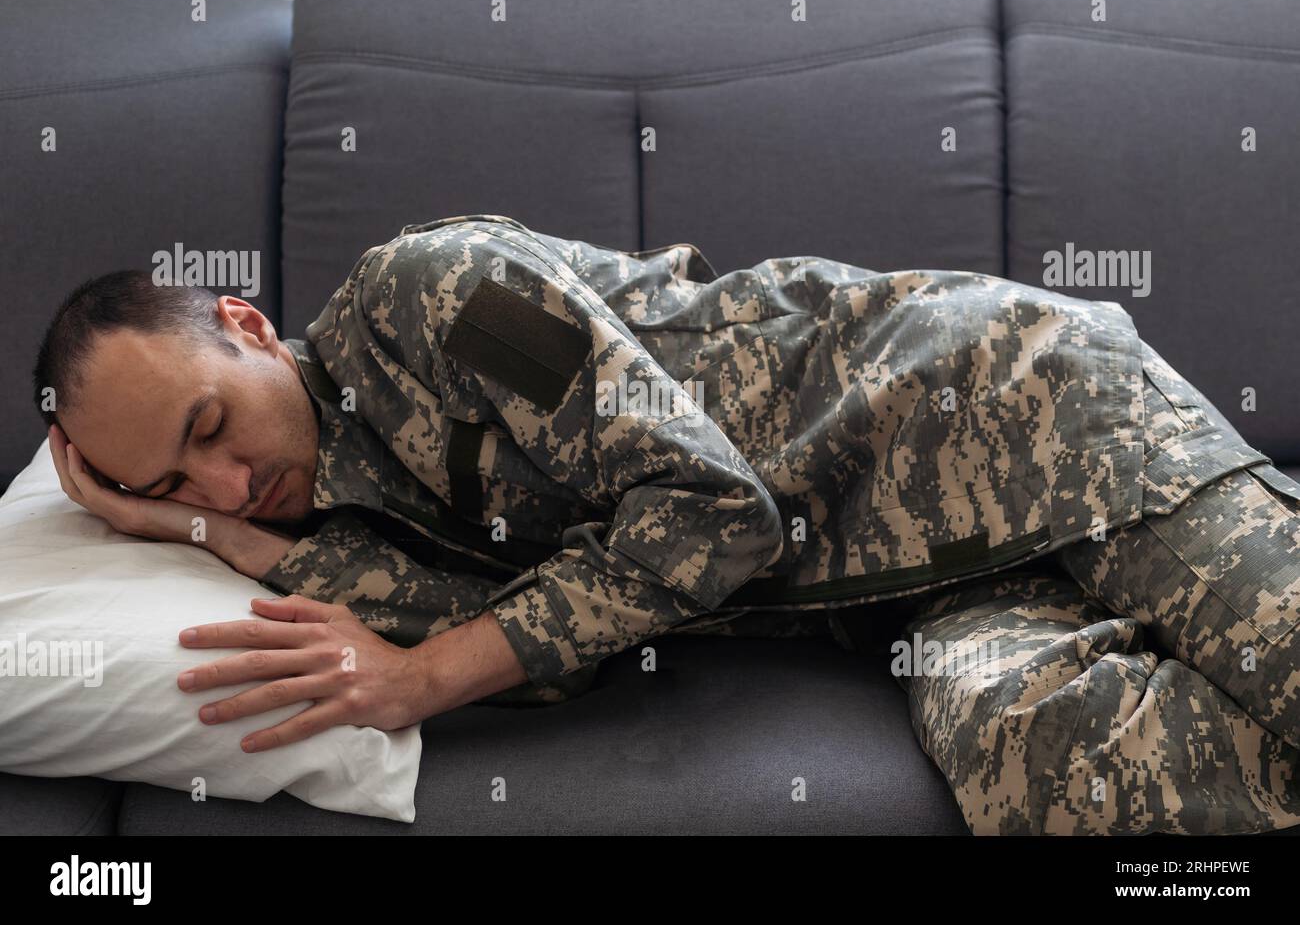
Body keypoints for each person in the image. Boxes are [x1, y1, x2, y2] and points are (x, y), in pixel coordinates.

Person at [30, 213, 1300, 833]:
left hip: (1017, 411)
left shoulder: (437, 299)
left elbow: (708, 511)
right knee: (1051, 783)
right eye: (167, 486)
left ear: (248, 328)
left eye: (207, 427)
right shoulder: (328, 542)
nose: (223, 479)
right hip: (907, 595)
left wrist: (421, 674)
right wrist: (211, 543)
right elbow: (537, 664)